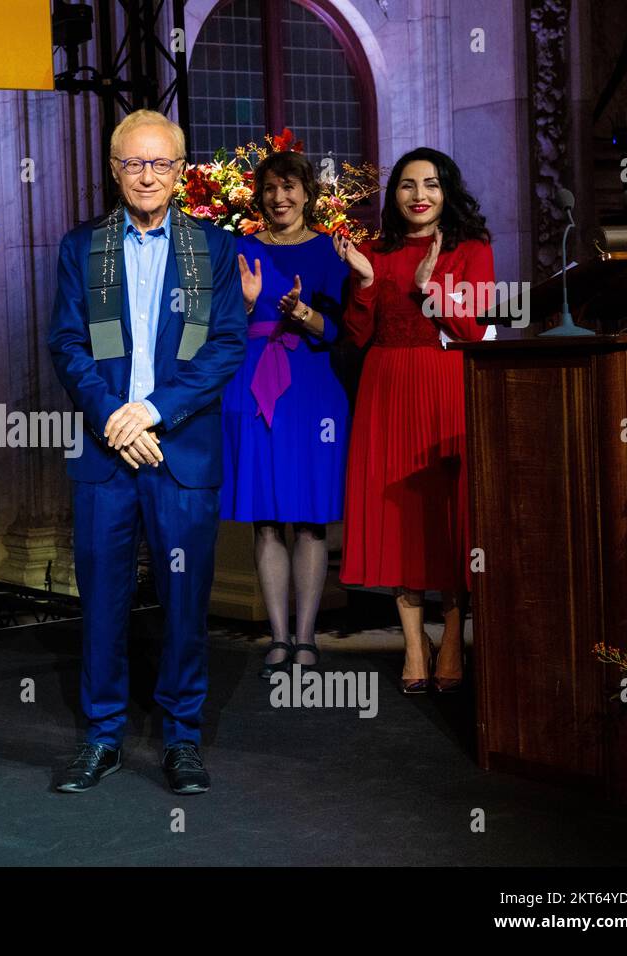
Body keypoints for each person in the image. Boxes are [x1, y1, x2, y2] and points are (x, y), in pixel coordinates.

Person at [48, 109, 248, 795]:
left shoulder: (214, 251)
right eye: (133, 163)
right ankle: (102, 736)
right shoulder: (83, 247)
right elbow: (68, 344)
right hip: (108, 457)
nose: (146, 176)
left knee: (185, 602)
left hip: (181, 454)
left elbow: (225, 346)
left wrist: (154, 415)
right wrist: (115, 420)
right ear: (114, 170)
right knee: (102, 600)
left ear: (180, 172)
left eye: (160, 163)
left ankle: (182, 738)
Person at [337, 147, 493, 694]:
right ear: (394, 195)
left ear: (447, 191)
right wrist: (362, 283)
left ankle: (452, 638)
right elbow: (356, 337)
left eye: (430, 184)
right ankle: (412, 644)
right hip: (386, 388)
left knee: (447, 515)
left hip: (446, 385)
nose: (418, 195)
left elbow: (474, 333)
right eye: (406, 185)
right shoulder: (373, 251)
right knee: (400, 518)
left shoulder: (471, 249)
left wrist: (434, 290)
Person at [221, 150, 349, 679]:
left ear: (306, 193)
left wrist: (303, 313)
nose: (280, 197)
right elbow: (218, 325)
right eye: (271, 188)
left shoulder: (329, 251)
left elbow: (340, 331)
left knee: (311, 519)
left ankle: (307, 636)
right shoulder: (239, 249)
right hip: (252, 386)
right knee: (267, 518)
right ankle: (277, 635)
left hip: (312, 391)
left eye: (290, 187)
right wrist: (248, 306)